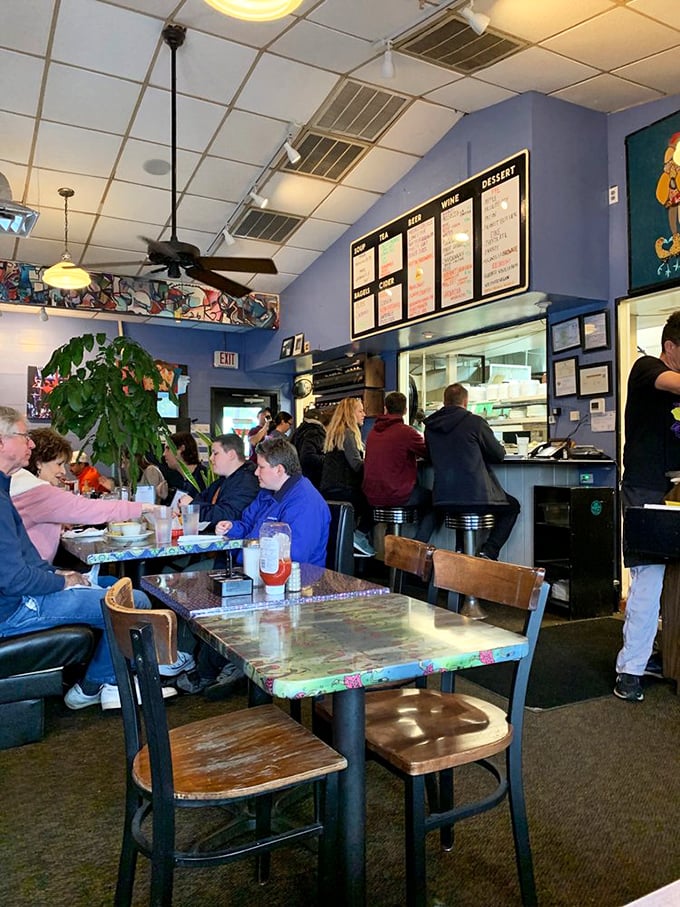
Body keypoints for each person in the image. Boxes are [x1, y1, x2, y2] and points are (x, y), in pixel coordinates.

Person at [0, 406, 161, 712]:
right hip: (14, 608)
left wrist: (59, 575)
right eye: (24, 437)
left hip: (17, 598)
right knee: (133, 601)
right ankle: (104, 684)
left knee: (117, 587)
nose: (31, 444)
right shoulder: (15, 495)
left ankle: (110, 677)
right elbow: (14, 579)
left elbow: (23, 563)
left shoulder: (6, 491)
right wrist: (61, 582)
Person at [182, 437, 330, 699]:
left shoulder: (304, 502)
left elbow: (293, 556)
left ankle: (221, 667)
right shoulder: (268, 493)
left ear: (279, 470)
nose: (255, 472)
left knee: (210, 592)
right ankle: (214, 666)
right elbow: (246, 522)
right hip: (258, 576)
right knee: (204, 589)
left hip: (292, 588)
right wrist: (231, 527)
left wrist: (247, 546)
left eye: (260, 467)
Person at [615, 311, 680, 702]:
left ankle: (663, 653)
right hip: (644, 492)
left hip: (673, 489)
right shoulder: (646, 368)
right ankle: (630, 669)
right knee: (649, 582)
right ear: (670, 347)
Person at [10, 427, 159, 563]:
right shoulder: (39, 493)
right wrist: (146, 507)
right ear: (39, 463)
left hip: (29, 575)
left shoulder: (19, 485)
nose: (63, 471)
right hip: (34, 582)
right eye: (59, 464)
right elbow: (91, 508)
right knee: (133, 592)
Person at [425, 383, 520, 561]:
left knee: (461, 505)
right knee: (512, 507)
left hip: (442, 497)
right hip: (475, 496)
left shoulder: (430, 427)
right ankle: (488, 552)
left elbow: (429, 456)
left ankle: (461, 551)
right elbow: (498, 454)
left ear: (444, 401)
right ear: (466, 401)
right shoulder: (475, 422)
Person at [362, 391, 434, 543]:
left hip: (372, 496)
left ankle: (391, 553)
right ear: (406, 410)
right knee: (435, 501)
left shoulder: (373, 433)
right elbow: (429, 452)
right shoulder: (406, 432)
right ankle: (416, 548)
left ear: (385, 408)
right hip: (396, 495)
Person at [320, 396, 374, 555]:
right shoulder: (348, 433)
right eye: (360, 410)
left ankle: (351, 542)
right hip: (345, 489)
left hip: (329, 490)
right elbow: (356, 465)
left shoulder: (334, 433)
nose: (364, 414)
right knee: (375, 504)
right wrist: (374, 463)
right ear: (351, 413)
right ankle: (358, 537)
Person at [177, 433, 258, 530]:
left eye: (215, 453)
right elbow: (201, 499)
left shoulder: (247, 482)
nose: (211, 458)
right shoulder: (223, 480)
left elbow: (227, 515)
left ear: (231, 454)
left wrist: (192, 507)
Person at [162, 431, 208, 502]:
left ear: (182, 449)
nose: (164, 454)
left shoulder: (203, 477)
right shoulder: (182, 480)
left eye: (168, 448)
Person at [289, 406, 329, 489]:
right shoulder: (315, 432)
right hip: (312, 478)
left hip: (298, 477)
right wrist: (328, 460)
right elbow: (308, 456)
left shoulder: (298, 432)